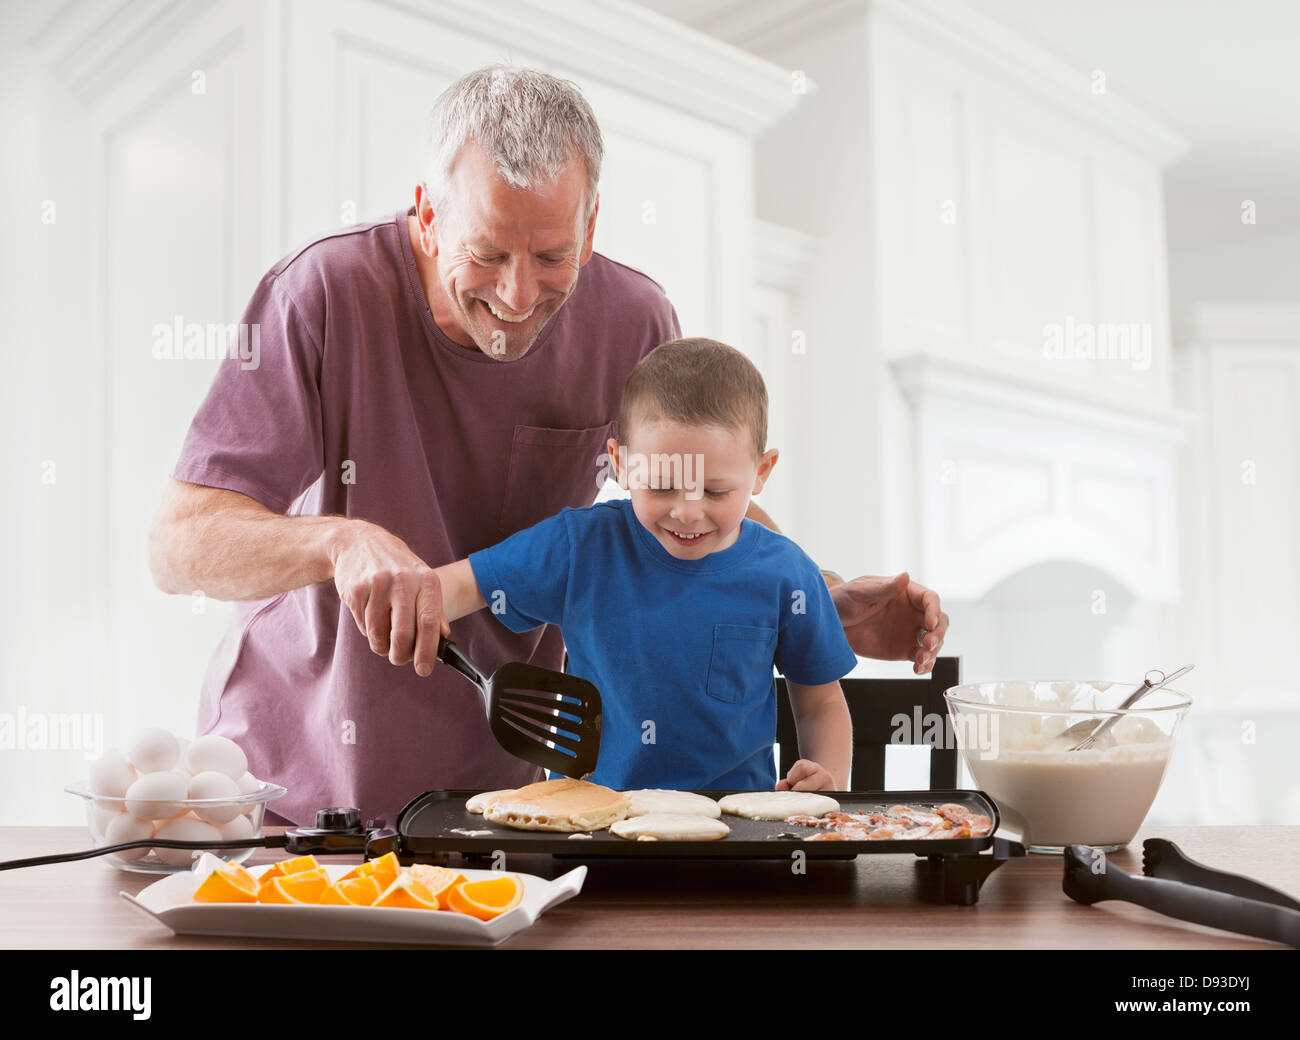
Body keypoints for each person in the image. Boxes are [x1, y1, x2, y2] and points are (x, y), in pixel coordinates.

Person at [148, 64, 948, 826]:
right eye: (488, 253)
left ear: (590, 227)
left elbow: (683, 497)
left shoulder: (633, 321)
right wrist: (338, 541)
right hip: (300, 782)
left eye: (552, 256)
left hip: (512, 792)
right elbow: (179, 547)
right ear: (427, 216)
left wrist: (820, 599)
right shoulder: (322, 293)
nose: (517, 296)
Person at [433, 338, 856, 791]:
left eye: (715, 491)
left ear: (761, 472)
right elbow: (458, 586)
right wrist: (411, 602)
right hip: (592, 831)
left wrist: (828, 780)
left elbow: (820, 704)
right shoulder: (580, 546)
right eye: (660, 486)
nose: (688, 512)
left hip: (738, 833)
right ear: (621, 465)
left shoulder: (787, 574)